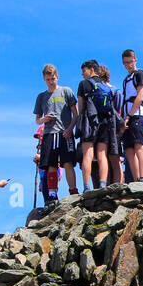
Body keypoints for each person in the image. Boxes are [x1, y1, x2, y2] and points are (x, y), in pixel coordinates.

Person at [33, 64, 79, 204]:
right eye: (48, 79)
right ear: (44, 79)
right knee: (51, 164)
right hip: (49, 133)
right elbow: (37, 120)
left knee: (68, 162)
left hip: (65, 132)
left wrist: (70, 129)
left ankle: (73, 191)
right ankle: (52, 193)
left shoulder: (66, 91)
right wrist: (44, 119)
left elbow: (75, 113)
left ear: (57, 77)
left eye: (53, 78)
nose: (51, 82)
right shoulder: (41, 97)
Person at [75, 60, 112, 190]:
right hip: (104, 122)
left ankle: (86, 186)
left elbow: (80, 107)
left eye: (84, 70)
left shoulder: (83, 84)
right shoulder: (105, 85)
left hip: (89, 122)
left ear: (91, 69)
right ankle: (103, 184)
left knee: (88, 154)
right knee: (102, 154)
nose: (82, 74)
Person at [119, 49, 143, 183]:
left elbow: (140, 96)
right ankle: (136, 178)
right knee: (129, 149)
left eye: (130, 62)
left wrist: (129, 115)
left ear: (135, 61)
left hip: (137, 115)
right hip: (128, 115)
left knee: (139, 145)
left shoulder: (140, 75)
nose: (128, 65)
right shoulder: (126, 80)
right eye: (125, 63)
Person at [99, 65, 124, 185]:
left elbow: (119, 111)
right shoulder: (114, 91)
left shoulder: (114, 91)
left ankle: (115, 184)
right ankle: (111, 186)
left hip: (110, 127)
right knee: (110, 157)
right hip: (108, 127)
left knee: (113, 157)